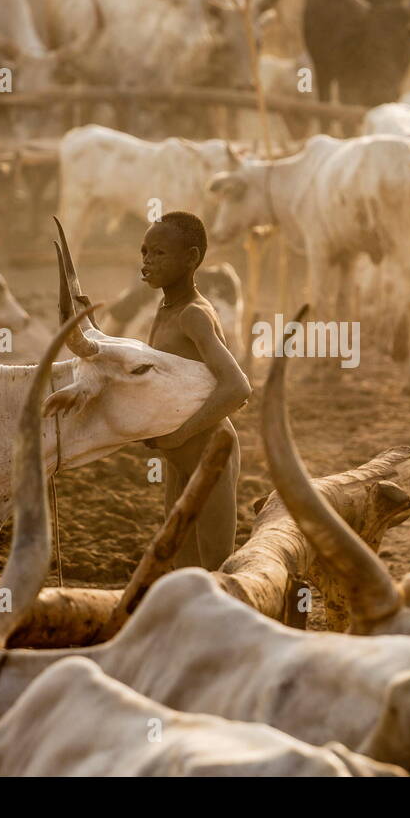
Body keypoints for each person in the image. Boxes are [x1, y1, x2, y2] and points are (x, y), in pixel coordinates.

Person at [141, 211, 250, 569]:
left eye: (158, 253)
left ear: (191, 258)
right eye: (144, 252)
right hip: (180, 460)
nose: (147, 262)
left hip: (210, 455)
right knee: (180, 564)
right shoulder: (166, 309)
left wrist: (179, 434)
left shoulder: (193, 315)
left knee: (216, 567)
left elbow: (237, 387)